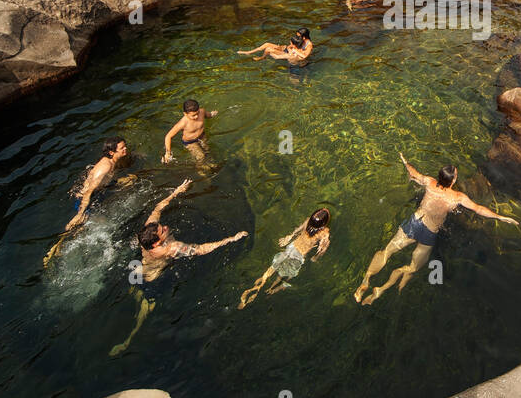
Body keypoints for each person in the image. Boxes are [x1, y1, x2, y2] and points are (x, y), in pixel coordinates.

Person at [354, 155, 517, 306]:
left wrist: (405, 161)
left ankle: (366, 280)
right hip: (429, 234)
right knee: (412, 268)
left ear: (440, 177)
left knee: (386, 252)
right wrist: (500, 217)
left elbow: (413, 173)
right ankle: (381, 289)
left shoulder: (430, 183)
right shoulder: (457, 197)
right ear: (453, 180)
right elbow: (479, 209)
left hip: (414, 224)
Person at [110, 179, 249, 356]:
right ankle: (128, 340)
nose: (166, 227)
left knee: (134, 295)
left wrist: (178, 191)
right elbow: (200, 250)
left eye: (162, 227)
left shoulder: (146, 233)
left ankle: (132, 304)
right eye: (163, 231)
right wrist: (231, 239)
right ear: (155, 244)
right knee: (142, 314)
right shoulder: (170, 249)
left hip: (135, 271)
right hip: (153, 282)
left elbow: (157, 208)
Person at [44, 137, 134, 265]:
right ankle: (56, 245)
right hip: (87, 198)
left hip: (101, 190)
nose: (125, 149)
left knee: (130, 181)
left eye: (125, 146)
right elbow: (88, 191)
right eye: (122, 148)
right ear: (111, 152)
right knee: (85, 224)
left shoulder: (113, 161)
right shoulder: (105, 167)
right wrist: (81, 211)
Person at [238, 208, 332, 308]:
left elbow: (296, 231)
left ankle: (259, 284)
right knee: (285, 278)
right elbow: (322, 249)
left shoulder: (307, 221)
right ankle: (272, 290)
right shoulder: (325, 233)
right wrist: (315, 258)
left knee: (273, 267)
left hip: (291, 248)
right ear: (324, 224)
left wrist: (287, 238)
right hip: (298, 256)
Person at [163, 98, 218, 164]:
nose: (196, 116)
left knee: (208, 150)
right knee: (200, 156)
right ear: (185, 114)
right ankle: (201, 169)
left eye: (197, 113)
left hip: (202, 136)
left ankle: (211, 164)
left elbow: (208, 115)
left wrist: (212, 114)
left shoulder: (202, 112)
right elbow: (168, 136)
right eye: (193, 115)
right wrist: (168, 152)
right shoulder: (183, 123)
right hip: (190, 142)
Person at [239, 30, 311, 62]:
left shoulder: (309, 45)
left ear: (304, 37)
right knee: (267, 44)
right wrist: (287, 47)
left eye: (298, 35)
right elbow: (294, 44)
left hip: (291, 53)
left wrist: (293, 50)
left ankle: (262, 58)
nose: (297, 36)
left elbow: (304, 56)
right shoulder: (300, 40)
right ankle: (248, 52)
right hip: (288, 49)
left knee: (268, 49)